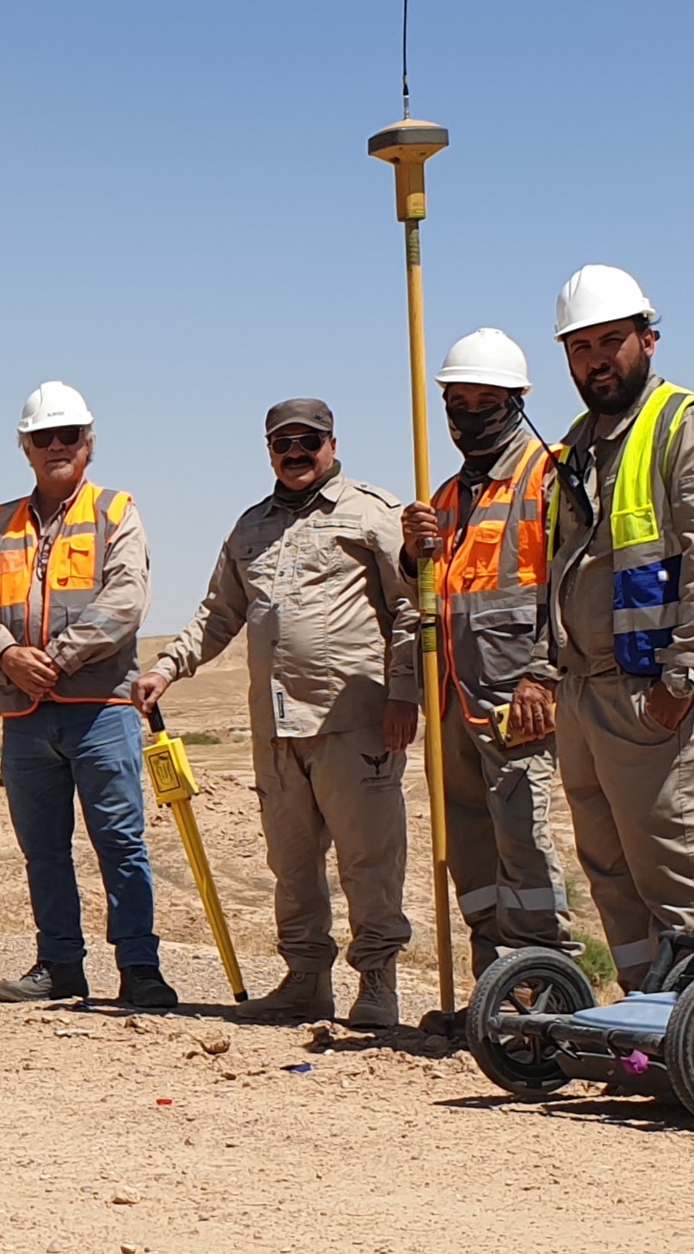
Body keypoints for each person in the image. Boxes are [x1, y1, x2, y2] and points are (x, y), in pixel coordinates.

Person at [136, 399, 418, 1027]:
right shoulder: (250, 528)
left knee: (369, 861)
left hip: (355, 723)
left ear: (332, 443)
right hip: (276, 728)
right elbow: (218, 614)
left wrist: (404, 693)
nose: (296, 453)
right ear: (268, 452)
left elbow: (409, 604)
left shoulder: (372, 512)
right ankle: (305, 981)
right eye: (282, 443)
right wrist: (166, 668)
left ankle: (378, 983)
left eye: (308, 441)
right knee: (291, 866)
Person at [513, 265, 694, 993]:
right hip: (584, 692)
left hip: (653, 693)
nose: (595, 360)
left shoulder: (690, 425)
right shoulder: (576, 445)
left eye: (609, 341)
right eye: (579, 346)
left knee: (680, 875)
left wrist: (681, 681)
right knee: (612, 877)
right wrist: (546, 669)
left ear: (647, 340)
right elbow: (558, 570)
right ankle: (644, 1020)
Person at [0, 382, 177, 1008]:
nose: (56, 446)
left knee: (120, 843)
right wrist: (6, 655)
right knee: (43, 851)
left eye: (68, 436)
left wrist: (56, 658)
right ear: (24, 446)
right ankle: (59, 964)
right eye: (43, 437)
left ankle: (139, 967)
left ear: (89, 443)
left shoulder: (115, 511)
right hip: (25, 715)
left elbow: (126, 599)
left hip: (100, 711)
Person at [399, 329, 576, 983]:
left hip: (515, 701)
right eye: (458, 403)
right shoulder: (444, 497)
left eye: (485, 403)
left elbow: (566, 586)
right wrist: (411, 553)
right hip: (452, 701)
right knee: (470, 852)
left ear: (516, 401)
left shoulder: (549, 476)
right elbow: (430, 595)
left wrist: (543, 674)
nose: (469, 416)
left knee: (524, 846)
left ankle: (545, 985)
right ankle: (491, 988)